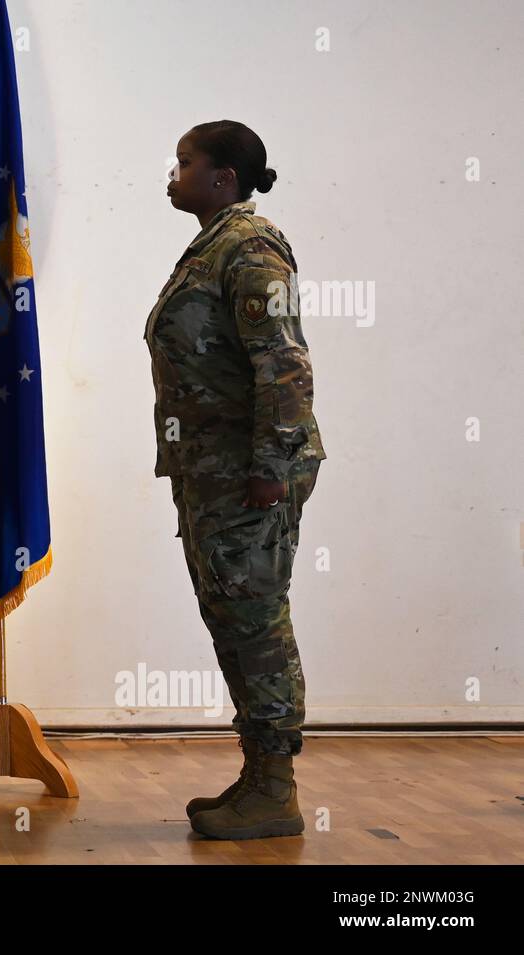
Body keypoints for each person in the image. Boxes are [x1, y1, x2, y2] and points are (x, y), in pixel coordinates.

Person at [147, 120, 326, 840]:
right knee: (233, 617)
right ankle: (258, 774)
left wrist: (270, 468)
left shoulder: (249, 247)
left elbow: (284, 364)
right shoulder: (212, 246)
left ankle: (276, 785)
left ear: (223, 177)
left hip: (247, 473)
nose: (174, 169)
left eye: (185, 161)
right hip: (214, 470)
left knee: (255, 619)